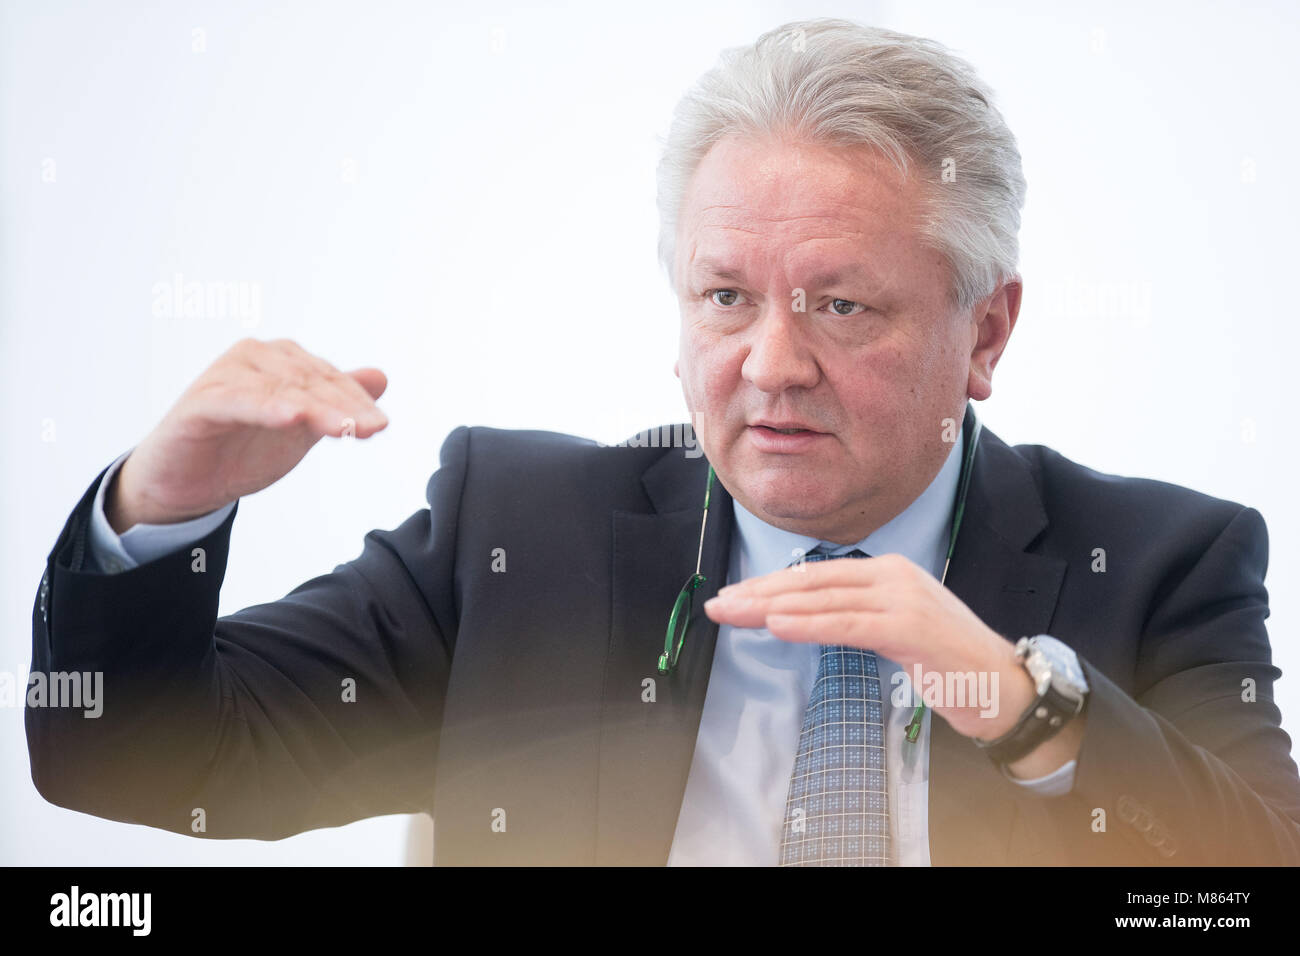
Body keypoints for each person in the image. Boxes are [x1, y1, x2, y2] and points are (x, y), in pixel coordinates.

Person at [27, 17, 1300, 865]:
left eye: (841, 304)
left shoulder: (1155, 559)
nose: (771, 363)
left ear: (986, 330)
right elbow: (137, 756)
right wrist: (163, 509)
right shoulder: (519, 537)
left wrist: (1022, 705)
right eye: (726, 296)